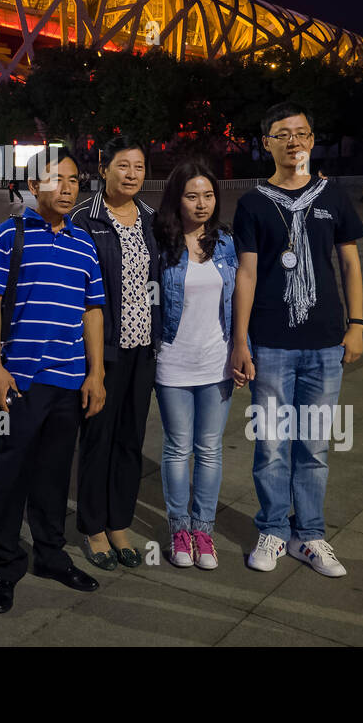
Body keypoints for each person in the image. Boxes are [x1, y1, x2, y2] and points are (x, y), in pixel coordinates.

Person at [231, 102, 363, 578]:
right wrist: (240, 341)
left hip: (326, 342)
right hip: (269, 341)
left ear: (312, 140)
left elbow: (349, 263)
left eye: (302, 133)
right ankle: (272, 529)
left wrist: (357, 325)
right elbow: (245, 275)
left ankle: (309, 536)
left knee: (313, 445)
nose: (294, 141)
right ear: (265, 141)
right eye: (282, 134)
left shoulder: (334, 196)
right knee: (270, 442)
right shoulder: (252, 203)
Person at [0, 145, 106, 614]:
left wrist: (96, 373)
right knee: (11, 474)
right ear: (34, 187)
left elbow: (93, 311)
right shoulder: (8, 236)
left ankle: (51, 555)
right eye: (58, 179)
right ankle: (6, 566)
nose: (69, 188)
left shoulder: (84, 243)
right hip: (20, 383)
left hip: (69, 382)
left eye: (75, 180)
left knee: (54, 475)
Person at [70, 136, 159, 571]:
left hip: (144, 350)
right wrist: (92, 367)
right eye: (123, 166)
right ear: (103, 168)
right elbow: (79, 295)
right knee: (98, 440)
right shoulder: (83, 219)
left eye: (139, 167)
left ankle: (119, 521)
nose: (131, 175)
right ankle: (92, 526)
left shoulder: (152, 219)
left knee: (130, 440)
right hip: (103, 353)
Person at [152, 159, 239, 569]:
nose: (201, 203)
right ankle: (178, 529)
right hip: (172, 362)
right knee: (176, 448)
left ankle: (203, 531)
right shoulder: (161, 241)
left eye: (208, 195)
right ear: (177, 199)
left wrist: (244, 350)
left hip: (217, 363)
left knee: (209, 450)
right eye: (192, 196)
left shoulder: (226, 243)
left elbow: (240, 304)